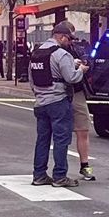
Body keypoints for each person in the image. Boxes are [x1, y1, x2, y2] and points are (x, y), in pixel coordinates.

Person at [30, 23, 89, 188]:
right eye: (69, 39)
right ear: (61, 36)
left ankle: (39, 175)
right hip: (58, 101)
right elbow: (71, 78)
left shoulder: (36, 53)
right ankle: (60, 176)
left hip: (40, 102)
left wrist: (40, 94)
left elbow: (31, 80)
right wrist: (82, 71)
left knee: (42, 140)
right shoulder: (61, 54)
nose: (70, 42)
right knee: (61, 140)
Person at [62, 23, 95, 181]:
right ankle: (60, 168)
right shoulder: (54, 51)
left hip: (77, 91)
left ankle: (85, 165)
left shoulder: (77, 48)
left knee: (83, 129)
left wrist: (84, 64)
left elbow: (89, 62)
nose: (71, 41)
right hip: (60, 92)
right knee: (60, 132)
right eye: (69, 37)